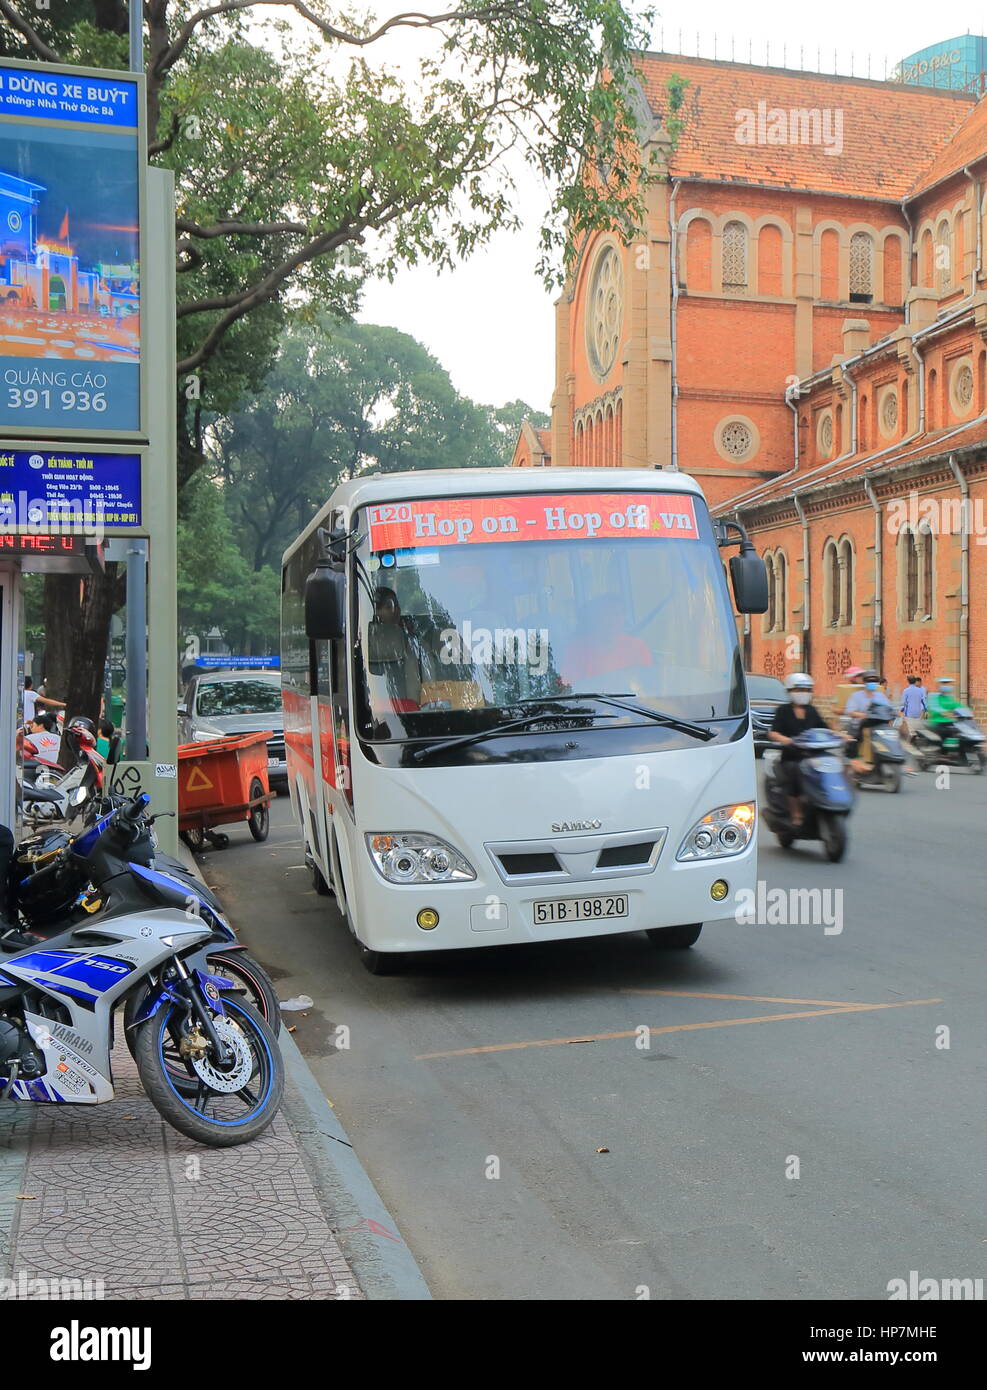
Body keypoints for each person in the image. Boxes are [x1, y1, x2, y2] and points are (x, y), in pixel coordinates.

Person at [768, 673, 835, 825]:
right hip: (792, 756)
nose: (802, 693)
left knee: (834, 765)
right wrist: (785, 739)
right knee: (796, 771)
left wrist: (840, 736)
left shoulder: (812, 710)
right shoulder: (783, 711)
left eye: (806, 689)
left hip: (814, 756)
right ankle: (796, 813)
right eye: (798, 690)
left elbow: (824, 728)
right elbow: (773, 732)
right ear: (789, 691)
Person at [561, 592, 652, 685]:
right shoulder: (578, 650)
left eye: (619, 614)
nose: (614, 620)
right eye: (608, 614)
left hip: (629, 699)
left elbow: (648, 684)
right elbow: (567, 688)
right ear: (597, 618)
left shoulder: (637, 647)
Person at [898, 674, 926, 773]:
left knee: (907, 736)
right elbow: (923, 702)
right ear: (915, 681)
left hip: (909, 714)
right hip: (918, 714)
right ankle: (916, 749)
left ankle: (911, 753)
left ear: (908, 681)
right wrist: (925, 711)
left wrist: (901, 710)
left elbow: (903, 703)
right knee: (916, 732)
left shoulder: (906, 691)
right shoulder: (920, 690)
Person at [926, 676, 960, 747]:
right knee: (943, 732)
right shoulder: (933, 696)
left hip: (949, 722)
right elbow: (935, 708)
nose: (946, 685)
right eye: (944, 683)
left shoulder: (950, 697)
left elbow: (958, 706)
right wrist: (946, 714)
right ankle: (941, 752)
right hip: (937, 722)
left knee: (960, 732)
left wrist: (968, 711)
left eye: (948, 684)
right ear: (939, 685)